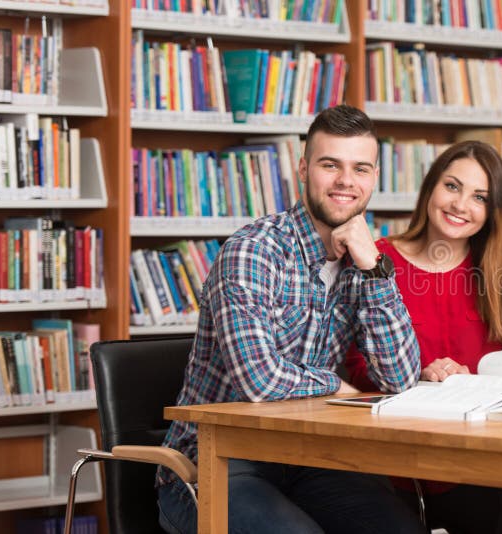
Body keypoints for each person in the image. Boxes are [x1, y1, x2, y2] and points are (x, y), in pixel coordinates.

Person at [156, 105, 425, 534]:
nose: (345, 181)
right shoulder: (253, 252)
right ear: (303, 168)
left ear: (375, 177)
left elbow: (403, 378)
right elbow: (260, 382)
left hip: (306, 460)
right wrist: (332, 384)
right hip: (215, 465)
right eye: (329, 164)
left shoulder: (363, 261)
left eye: (361, 168)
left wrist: (374, 267)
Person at [346, 140, 502, 534]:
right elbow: (354, 364)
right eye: (452, 186)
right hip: (411, 461)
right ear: (431, 187)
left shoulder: (496, 266)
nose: (461, 205)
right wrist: (418, 374)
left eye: (479, 197)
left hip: (489, 453)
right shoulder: (377, 261)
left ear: (492, 211)